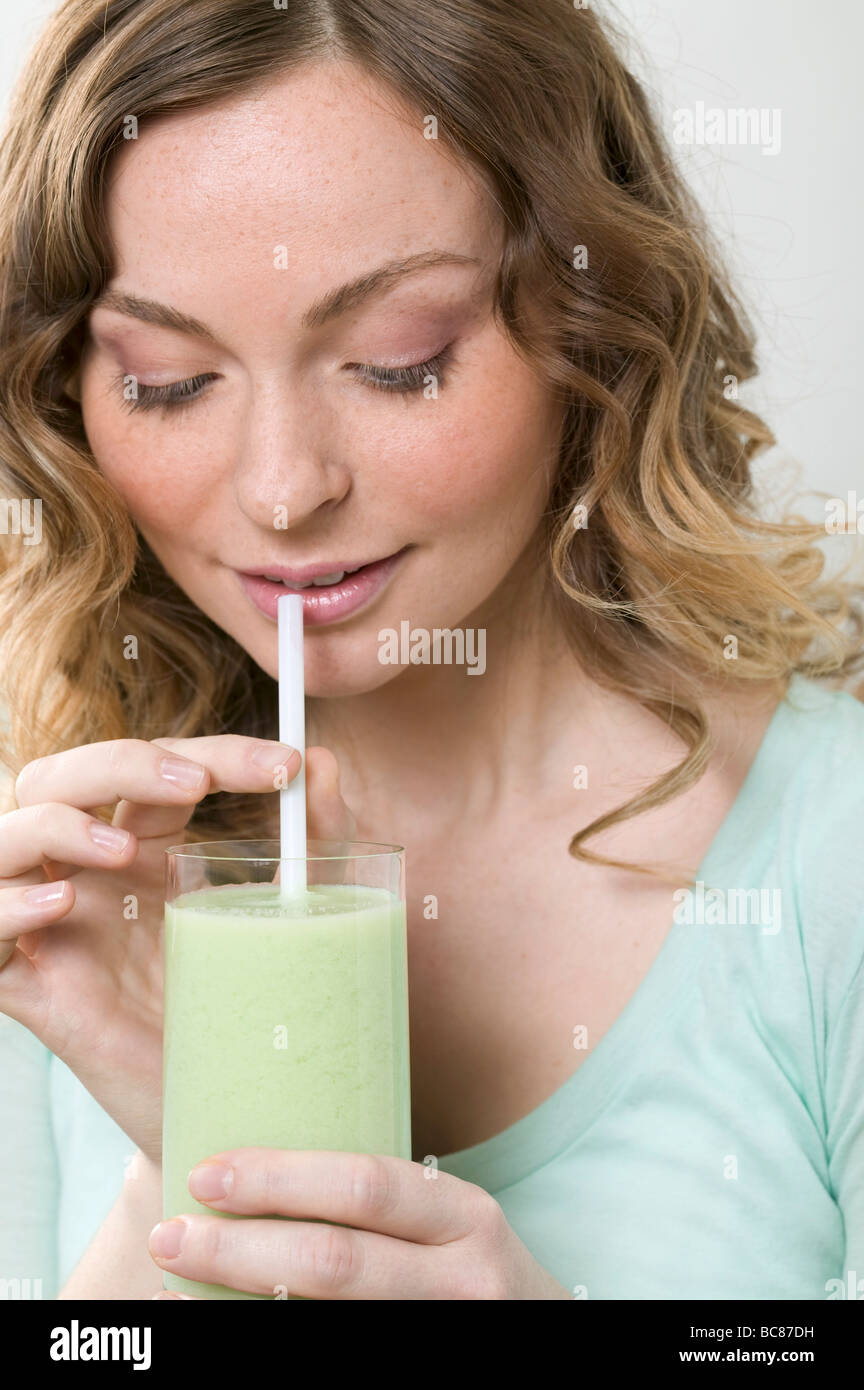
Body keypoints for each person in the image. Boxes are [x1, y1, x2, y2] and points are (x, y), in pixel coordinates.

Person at [0, 0, 861, 1301]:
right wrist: (193, 1172)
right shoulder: (61, 898)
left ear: (592, 318)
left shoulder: (828, 859)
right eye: (168, 378)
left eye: (399, 362)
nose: (285, 491)